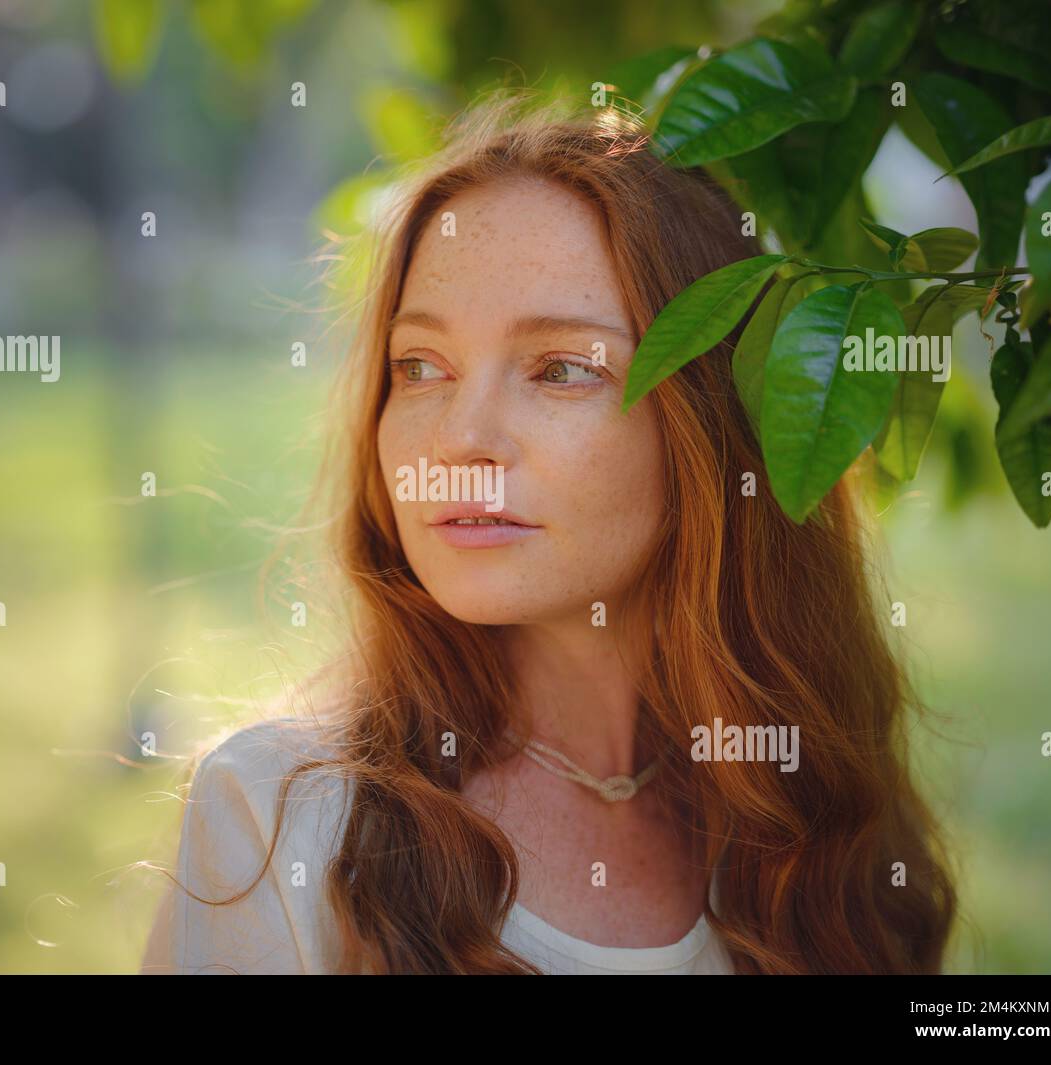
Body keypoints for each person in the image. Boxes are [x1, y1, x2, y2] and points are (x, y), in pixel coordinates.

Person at [139, 92, 957, 975]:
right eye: (420, 366)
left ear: (713, 426)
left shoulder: (806, 795)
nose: (461, 437)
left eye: (561, 368)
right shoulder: (279, 818)